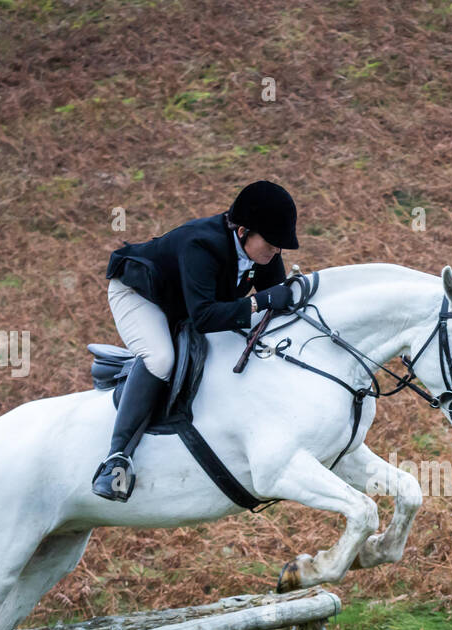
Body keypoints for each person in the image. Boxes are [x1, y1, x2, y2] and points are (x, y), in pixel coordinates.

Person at [92, 180, 300, 500]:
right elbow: (205, 318)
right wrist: (261, 301)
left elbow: (275, 303)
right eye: (272, 243)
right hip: (140, 294)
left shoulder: (265, 252)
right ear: (243, 232)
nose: (277, 251)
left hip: (185, 302)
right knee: (161, 359)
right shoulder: (201, 244)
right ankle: (115, 458)